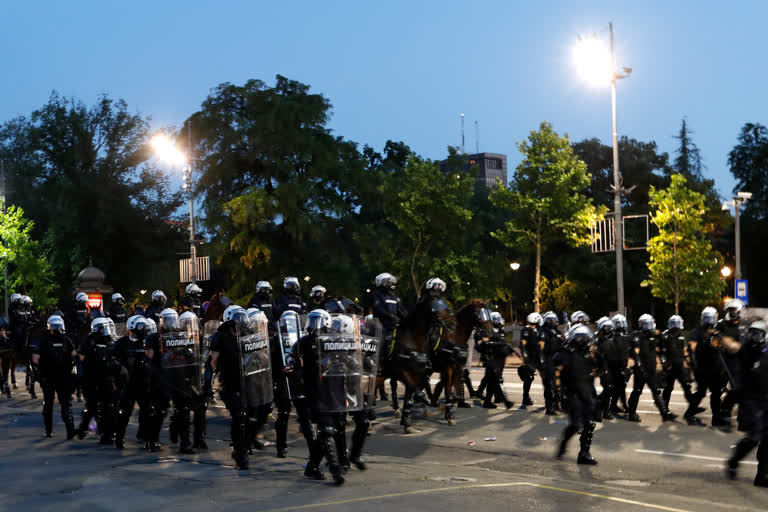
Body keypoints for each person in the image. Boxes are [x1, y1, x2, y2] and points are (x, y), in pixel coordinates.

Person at [298, 313, 362, 485]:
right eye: (312, 321)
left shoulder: (335, 341)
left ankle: (312, 467)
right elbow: (293, 361)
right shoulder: (303, 342)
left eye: (318, 321)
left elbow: (351, 363)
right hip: (316, 392)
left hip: (335, 391)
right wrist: (293, 367)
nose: (315, 325)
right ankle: (335, 470)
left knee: (335, 429)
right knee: (326, 430)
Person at [210, 305, 273, 470]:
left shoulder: (248, 334)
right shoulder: (220, 337)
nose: (239, 321)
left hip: (249, 381)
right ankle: (240, 453)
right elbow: (213, 360)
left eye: (241, 317)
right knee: (240, 417)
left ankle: (247, 442)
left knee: (261, 411)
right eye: (236, 318)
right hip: (230, 383)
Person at [726, 320, 768, 487]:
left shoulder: (766, 353)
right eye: (752, 333)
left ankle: (762, 475)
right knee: (755, 435)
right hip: (751, 400)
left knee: (767, 439)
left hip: (766, 400)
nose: (754, 337)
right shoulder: (745, 352)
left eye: (758, 334)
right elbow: (732, 350)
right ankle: (734, 460)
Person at [272, 309, 318, 459]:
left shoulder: (301, 340)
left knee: (304, 415)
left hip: (297, 380)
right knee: (284, 413)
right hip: (283, 379)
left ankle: (313, 450)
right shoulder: (275, 340)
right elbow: (272, 362)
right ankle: (281, 446)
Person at [554, 324, 598, 465]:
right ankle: (563, 443)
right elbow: (555, 371)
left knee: (590, 424)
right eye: (585, 339)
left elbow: (596, 368)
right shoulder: (565, 353)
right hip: (572, 394)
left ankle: (584, 454)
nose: (588, 342)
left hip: (586, 392)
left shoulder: (587, 354)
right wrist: (559, 392)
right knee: (575, 424)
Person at [163, 309, 203, 454]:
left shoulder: (191, 336)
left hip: (189, 378)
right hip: (175, 379)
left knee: (198, 408)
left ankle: (198, 439)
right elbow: (168, 357)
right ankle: (184, 443)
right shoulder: (169, 337)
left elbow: (193, 355)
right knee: (183, 411)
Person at [77, 317, 121, 444]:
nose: (106, 330)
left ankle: (106, 433)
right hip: (91, 378)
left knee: (109, 406)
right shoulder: (89, 341)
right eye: (103, 328)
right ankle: (83, 428)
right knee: (92, 406)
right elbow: (81, 357)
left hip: (106, 378)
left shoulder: (111, 341)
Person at [32, 315, 76, 439]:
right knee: (66, 404)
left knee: (48, 404)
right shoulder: (67, 340)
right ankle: (70, 430)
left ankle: (49, 432)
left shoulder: (43, 340)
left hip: (49, 378)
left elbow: (35, 359)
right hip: (64, 377)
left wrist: (38, 375)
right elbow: (75, 357)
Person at [626, 314, 677, 423]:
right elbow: (635, 353)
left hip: (651, 368)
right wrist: (639, 367)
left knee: (656, 391)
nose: (647, 326)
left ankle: (665, 413)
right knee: (637, 391)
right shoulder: (637, 336)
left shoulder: (653, 336)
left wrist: (663, 362)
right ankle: (631, 412)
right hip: (641, 370)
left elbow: (659, 350)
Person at [113, 315, 151, 449]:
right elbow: (112, 358)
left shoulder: (148, 342)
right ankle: (119, 437)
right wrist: (120, 367)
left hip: (144, 383)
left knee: (147, 411)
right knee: (124, 412)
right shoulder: (122, 343)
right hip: (128, 384)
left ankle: (146, 437)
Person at [371, 272, 408, 404]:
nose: (390, 284)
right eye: (387, 282)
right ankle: (378, 364)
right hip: (382, 326)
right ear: (381, 282)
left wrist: (408, 319)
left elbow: (401, 310)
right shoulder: (377, 295)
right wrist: (390, 316)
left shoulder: (394, 296)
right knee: (380, 344)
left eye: (390, 282)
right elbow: (378, 309)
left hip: (394, 327)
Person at [687, 307, 727, 427]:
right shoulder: (697, 332)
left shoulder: (715, 332)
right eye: (714, 316)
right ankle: (689, 414)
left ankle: (716, 419)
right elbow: (691, 349)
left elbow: (721, 348)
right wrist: (694, 367)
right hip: (703, 369)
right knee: (701, 393)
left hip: (715, 369)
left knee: (715, 394)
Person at [660, 315, 701, 425]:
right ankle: (665, 412)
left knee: (686, 386)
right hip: (669, 367)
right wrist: (665, 364)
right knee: (668, 389)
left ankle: (692, 409)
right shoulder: (665, 336)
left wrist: (688, 362)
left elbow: (684, 350)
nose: (676, 326)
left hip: (679, 366)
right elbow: (661, 352)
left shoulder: (681, 336)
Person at [476, 312, 513, 409]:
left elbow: (502, 342)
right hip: (491, 359)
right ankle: (506, 401)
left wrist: (490, 342)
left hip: (499, 359)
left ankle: (487, 401)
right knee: (498, 379)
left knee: (491, 381)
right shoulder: (484, 331)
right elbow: (480, 346)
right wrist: (487, 342)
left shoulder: (499, 330)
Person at [719, 299, 744, 431]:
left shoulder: (744, 324)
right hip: (727, 361)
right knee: (734, 388)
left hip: (742, 360)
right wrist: (725, 342)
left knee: (741, 388)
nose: (734, 313)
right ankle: (724, 414)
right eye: (731, 310)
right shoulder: (722, 325)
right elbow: (717, 340)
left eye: (736, 310)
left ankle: (741, 418)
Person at [519, 312, 544, 408]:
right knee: (528, 378)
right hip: (531, 358)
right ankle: (525, 397)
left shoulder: (540, 330)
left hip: (540, 356)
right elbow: (523, 345)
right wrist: (525, 357)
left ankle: (550, 398)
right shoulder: (526, 330)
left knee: (547, 378)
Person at [541, 311, 563, 414]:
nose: (555, 322)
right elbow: (541, 348)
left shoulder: (557, 332)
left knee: (558, 384)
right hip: (548, 361)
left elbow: (563, 342)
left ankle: (557, 404)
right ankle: (549, 408)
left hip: (557, 361)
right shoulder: (543, 332)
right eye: (553, 320)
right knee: (549, 385)